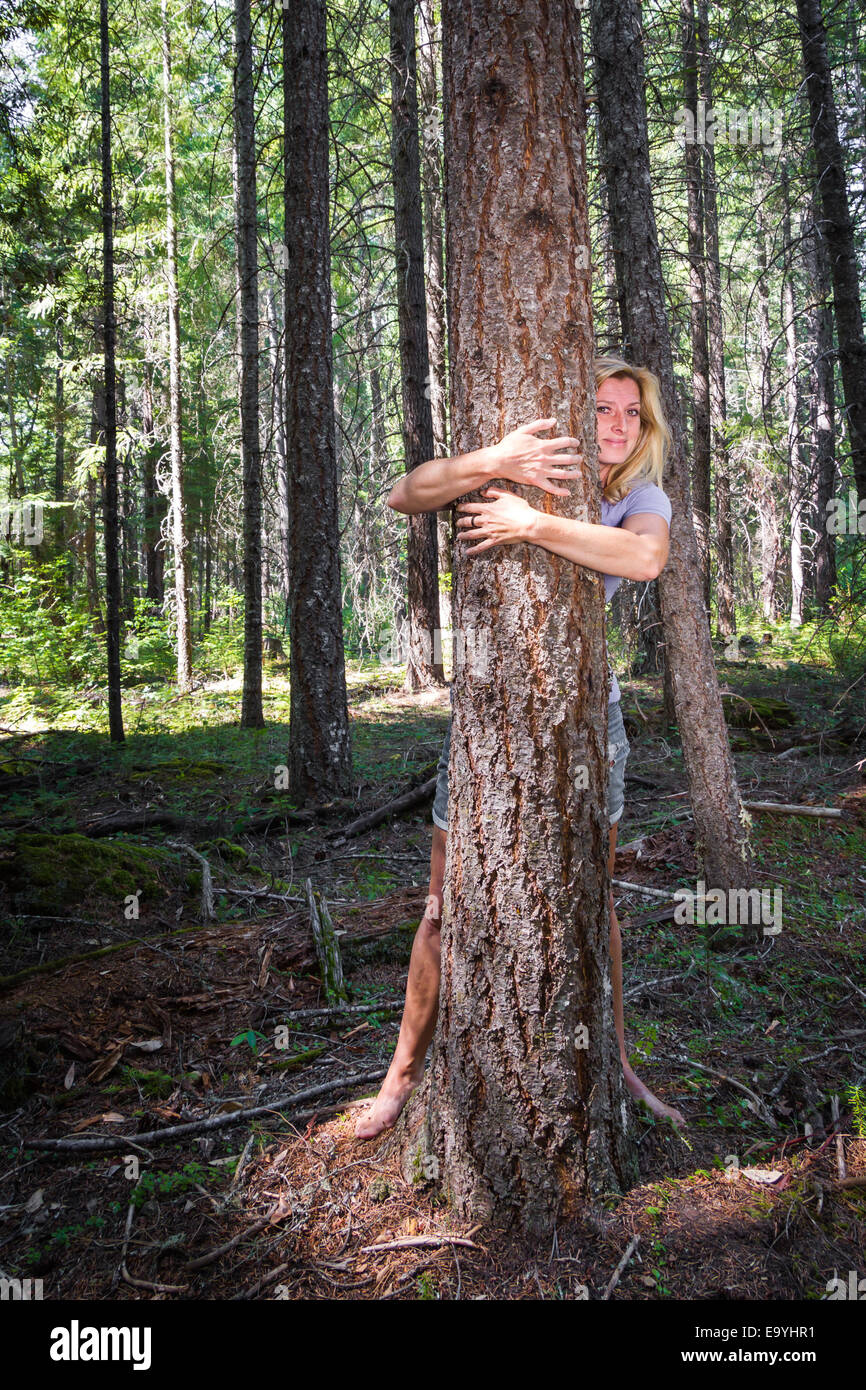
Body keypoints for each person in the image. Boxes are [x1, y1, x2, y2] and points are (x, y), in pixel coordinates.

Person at [355, 355, 686, 1139]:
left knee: (591, 902)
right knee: (443, 906)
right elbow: (406, 493)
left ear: (644, 427)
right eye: (600, 406)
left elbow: (645, 558)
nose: (613, 424)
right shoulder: (527, 463)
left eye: (629, 413)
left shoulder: (640, 497)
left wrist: (530, 522)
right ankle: (400, 1074)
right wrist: (497, 462)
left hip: (586, 721)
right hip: (488, 717)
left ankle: (617, 1065)